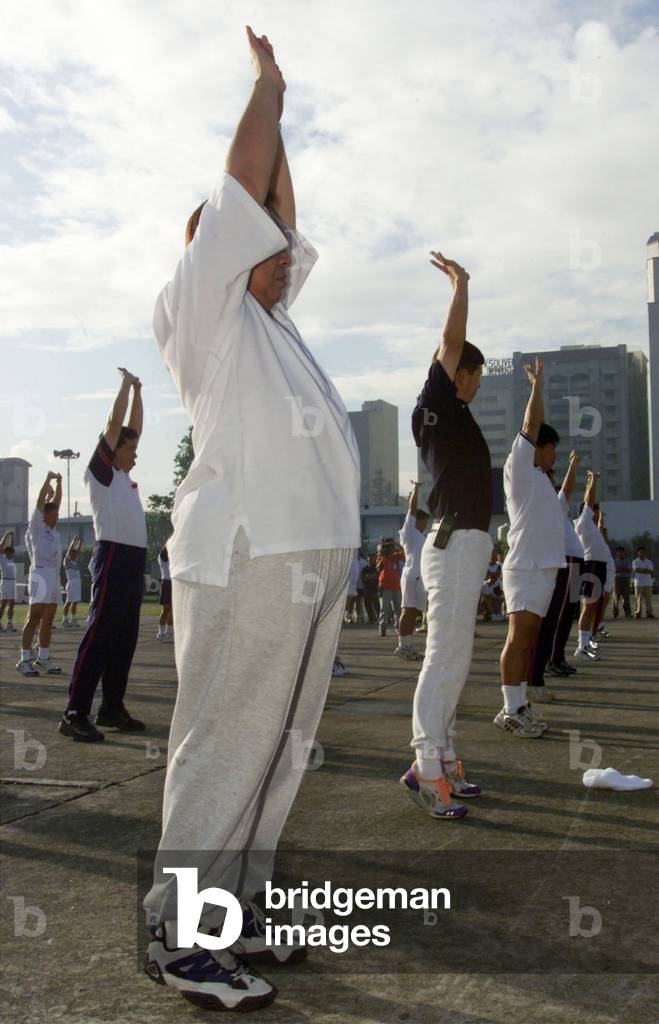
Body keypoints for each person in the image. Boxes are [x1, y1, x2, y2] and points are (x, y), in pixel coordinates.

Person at [143, 29, 360, 1012]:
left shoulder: (274, 325)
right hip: (249, 554)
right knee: (230, 741)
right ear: (217, 253)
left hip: (306, 560)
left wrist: (286, 124)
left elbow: (276, 205)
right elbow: (243, 186)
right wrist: (267, 88)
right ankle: (182, 933)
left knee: (280, 744)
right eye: (254, 238)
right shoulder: (202, 308)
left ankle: (235, 910)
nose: (278, 247)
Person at [401, 250, 491, 821]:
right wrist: (461, 285)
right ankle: (425, 766)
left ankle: (445, 754)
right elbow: (451, 341)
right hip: (453, 541)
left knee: (456, 655)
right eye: (475, 376)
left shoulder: (455, 414)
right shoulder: (436, 402)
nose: (478, 385)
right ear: (458, 374)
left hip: (464, 542)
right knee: (444, 655)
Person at [59, 369, 147, 742]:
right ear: (113, 452)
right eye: (130, 450)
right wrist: (125, 387)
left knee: (124, 639)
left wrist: (140, 392)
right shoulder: (102, 474)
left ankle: (111, 706)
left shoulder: (124, 478)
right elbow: (115, 426)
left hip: (133, 560)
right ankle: (74, 711)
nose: (135, 455)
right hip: (113, 556)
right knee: (100, 634)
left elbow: (133, 429)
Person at [494, 357, 564, 738]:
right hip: (524, 567)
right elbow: (530, 425)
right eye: (550, 448)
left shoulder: (542, 480)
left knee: (530, 639)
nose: (553, 455)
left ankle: (520, 704)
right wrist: (537, 386)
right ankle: (509, 710)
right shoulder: (518, 467)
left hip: (544, 569)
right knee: (518, 638)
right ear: (536, 447)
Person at [16, 472, 63, 676]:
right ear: (44, 515)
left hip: (53, 576)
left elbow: (56, 502)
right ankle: (24, 659)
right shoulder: (36, 526)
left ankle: (43, 657)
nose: (57, 515)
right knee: (35, 616)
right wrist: (48, 480)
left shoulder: (53, 532)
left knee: (49, 618)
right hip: (40, 575)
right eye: (53, 513)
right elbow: (40, 500)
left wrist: (59, 483)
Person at [545, 451, 583, 678]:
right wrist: (573, 465)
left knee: (570, 612)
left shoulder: (555, 506)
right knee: (561, 613)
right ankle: (552, 659)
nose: (554, 486)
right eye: (551, 482)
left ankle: (558, 657)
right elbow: (567, 489)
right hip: (567, 562)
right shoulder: (550, 503)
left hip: (576, 564)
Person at [573, 472, 608, 659]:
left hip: (598, 566)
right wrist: (593, 480)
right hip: (591, 566)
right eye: (595, 509)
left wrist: (589, 482)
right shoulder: (584, 522)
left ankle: (585, 643)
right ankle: (582, 646)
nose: (596, 512)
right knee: (588, 607)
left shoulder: (592, 527)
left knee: (592, 607)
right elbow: (589, 500)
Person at [396, 480, 429, 660]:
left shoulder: (422, 536)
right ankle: (402, 646)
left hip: (420, 578)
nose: (425, 525)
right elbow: (412, 509)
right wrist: (416, 489)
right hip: (411, 576)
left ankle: (407, 644)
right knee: (407, 610)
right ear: (417, 521)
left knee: (414, 611)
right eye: (424, 522)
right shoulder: (409, 531)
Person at [376, 538, 405, 637]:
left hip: (396, 586)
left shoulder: (396, 556)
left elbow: (404, 552)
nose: (392, 550)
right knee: (384, 609)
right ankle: (382, 628)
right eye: (390, 548)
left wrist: (397, 544)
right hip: (385, 586)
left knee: (398, 609)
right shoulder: (382, 557)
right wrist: (383, 555)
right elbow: (378, 567)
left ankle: (399, 627)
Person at [62, 538, 82, 627]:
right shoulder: (67, 562)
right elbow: (69, 550)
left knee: (75, 602)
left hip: (77, 584)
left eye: (75, 554)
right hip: (71, 583)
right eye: (73, 553)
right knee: (69, 601)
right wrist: (73, 541)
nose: (75, 555)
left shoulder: (75, 562)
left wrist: (80, 542)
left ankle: (73, 619)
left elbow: (79, 550)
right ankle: (64, 619)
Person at [0, 532, 18, 632]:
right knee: (3, 605)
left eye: (11, 552)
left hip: (12, 583)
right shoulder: (2, 559)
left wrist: (12, 536)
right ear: (5, 553)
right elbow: (1, 546)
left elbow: (12, 546)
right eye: (9, 552)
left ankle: (9, 624)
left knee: (12, 604)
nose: (11, 554)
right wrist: (6, 535)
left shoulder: (11, 560)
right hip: (5, 582)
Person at [156, 544, 173, 642]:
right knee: (168, 610)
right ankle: (164, 634)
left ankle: (164, 633)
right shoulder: (164, 556)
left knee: (168, 610)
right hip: (168, 582)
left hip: (168, 582)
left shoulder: (165, 556)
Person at [632, 547, 655, 618]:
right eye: (641, 552)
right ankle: (638, 613)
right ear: (638, 553)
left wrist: (641, 570)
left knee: (648, 599)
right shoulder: (635, 561)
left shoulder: (649, 561)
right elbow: (636, 570)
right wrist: (646, 570)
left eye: (644, 552)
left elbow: (651, 571)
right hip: (639, 583)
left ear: (646, 553)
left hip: (648, 583)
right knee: (638, 599)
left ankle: (649, 613)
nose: (642, 553)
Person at [612, 546, 632, 619]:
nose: (620, 553)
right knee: (615, 597)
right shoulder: (614, 561)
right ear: (616, 553)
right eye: (619, 552)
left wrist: (621, 569)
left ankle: (628, 613)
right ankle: (614, 613)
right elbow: (614, 570)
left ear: (624, 553)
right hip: (617, 579)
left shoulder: (628, 561)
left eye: (622, 552)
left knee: (626, 597)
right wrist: (623, 569)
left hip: (625, 580)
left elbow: (629, 570)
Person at [360, 555, 380, 624]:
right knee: (367, 605)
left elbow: (378, 576)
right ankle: (371, 619)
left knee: (376, 605)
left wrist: (369, 576)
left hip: (374, 589)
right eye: (369, 559)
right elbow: (364, 578)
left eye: (372, 559)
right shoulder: (365, 569)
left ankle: (379, 618)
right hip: (367, 589)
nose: (371, 561)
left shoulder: (376, 568)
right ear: (367, 560)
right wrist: (373, 576)